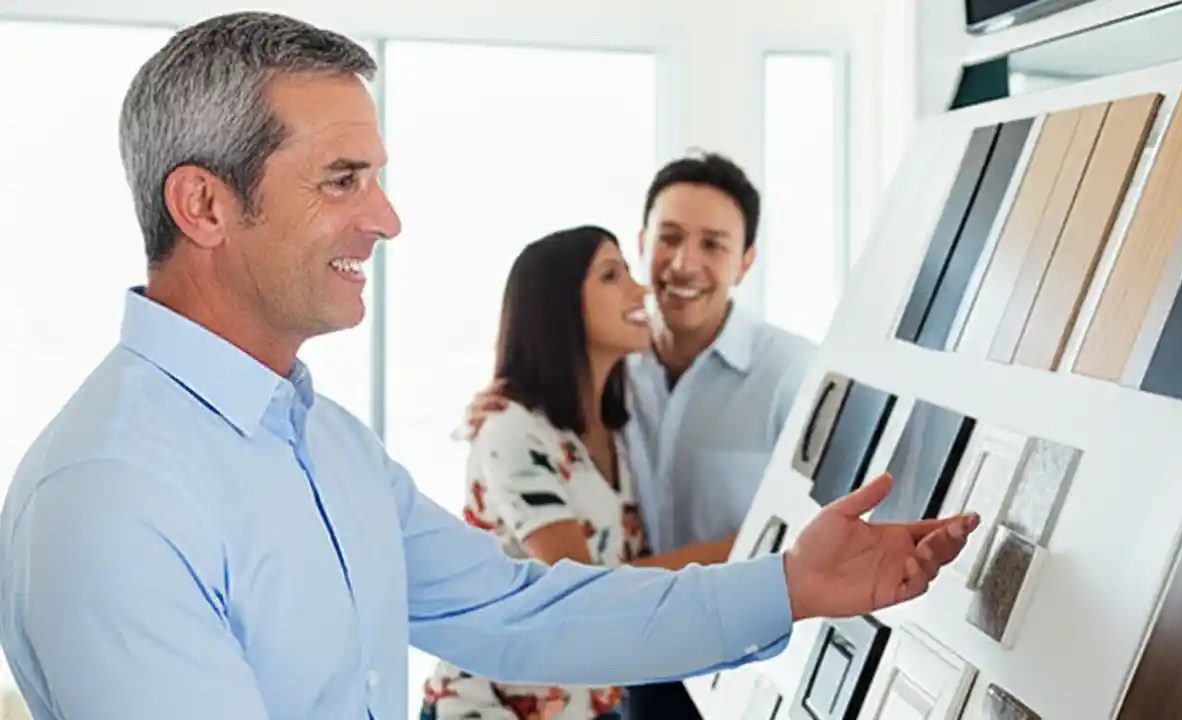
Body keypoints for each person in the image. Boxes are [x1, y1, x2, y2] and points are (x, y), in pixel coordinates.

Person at [0, 12, 979, 720]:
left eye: (378, 179)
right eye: (344, 181)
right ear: (204, 207)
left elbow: (519, 610)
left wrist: (787, 587)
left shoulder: (327, 446)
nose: (385, 219)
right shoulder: (107, 497)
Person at [465, 153, 820, 718]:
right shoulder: (614, 377)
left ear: (746, 262)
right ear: (644, 241)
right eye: (669, 238)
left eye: (714, 244)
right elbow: (574, 577)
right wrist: (751, 554)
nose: (684, 264)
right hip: (615, 670)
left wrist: (775, 560)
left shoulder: (794, 372)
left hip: (743, 657)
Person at [422, 225, 739, 719]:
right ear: (560, 307)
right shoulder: (511, 429)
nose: (640, 291)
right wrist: (728, 554)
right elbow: (579, 587)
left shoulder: (609, 431)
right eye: (612, 276)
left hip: (589, 705)